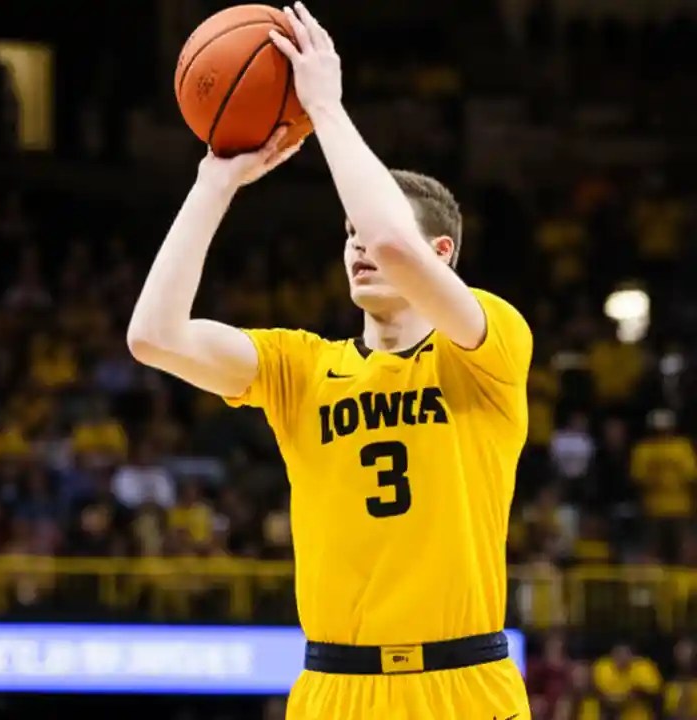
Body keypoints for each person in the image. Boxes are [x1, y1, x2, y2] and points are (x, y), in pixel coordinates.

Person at [126, 4, 531, 718]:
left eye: (370, 229)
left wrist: (327, 107)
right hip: (333, 687)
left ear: (444, 256)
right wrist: (213, 184)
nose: (359, 244)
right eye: (347, 232)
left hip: (463, 684)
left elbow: (394, 242)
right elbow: (153, 335)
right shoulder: (299, 369)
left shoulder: (489, 343)